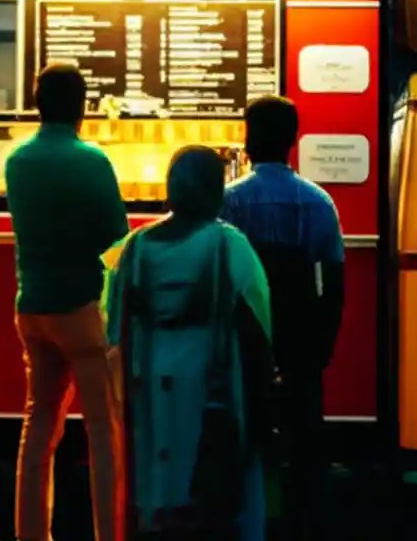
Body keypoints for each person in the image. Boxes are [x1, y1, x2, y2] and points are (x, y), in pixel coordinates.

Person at [104, 146, 274, 541]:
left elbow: (113, 328)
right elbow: (258, 329)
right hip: (214, 404)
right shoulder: (230, 246)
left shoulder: (134, 248)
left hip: (149, 406)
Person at [5, 63, 130, 541]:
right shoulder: (91, 160)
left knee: (38, 425)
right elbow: (117, 237)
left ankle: (31, 533)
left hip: (31, 307)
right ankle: (109, 532)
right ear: (82, 106)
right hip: (80, 309)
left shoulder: (18, 160)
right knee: (102, 428)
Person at [219, 95, 344, 540]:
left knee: (244, 432)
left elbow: (222, 277)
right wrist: (324, 343)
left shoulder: (230, 201)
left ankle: (253, 520)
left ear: (248, 138)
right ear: (294, 139)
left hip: (245, 334)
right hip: (301, 333)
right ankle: (302, 523)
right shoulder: (318, 202)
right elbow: (333, 281)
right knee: (305, 435)